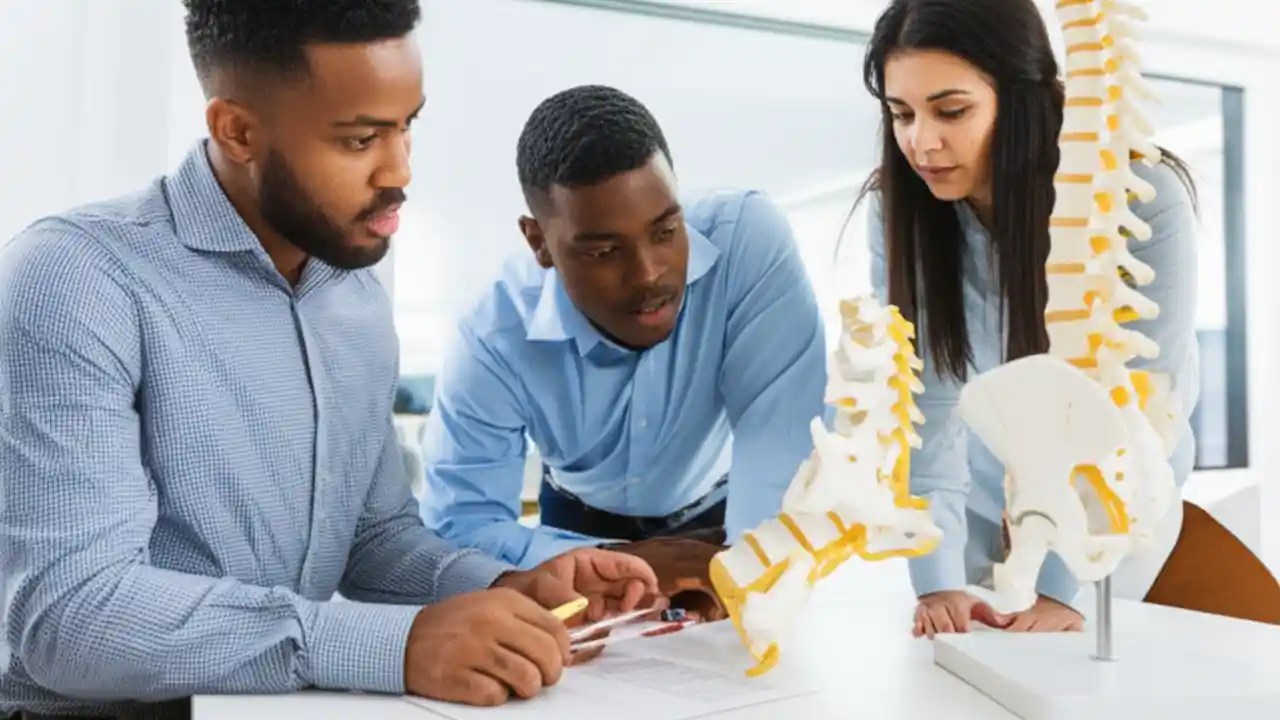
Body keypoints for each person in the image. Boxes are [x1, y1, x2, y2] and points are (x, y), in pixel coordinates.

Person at [0, 2, 661, 718]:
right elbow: (69, 615)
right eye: (359, 140)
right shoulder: (76, 278)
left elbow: (371, 538)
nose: (400, 170)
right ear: (238, 130)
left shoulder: (356, 300)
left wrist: (507, 588)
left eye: (407, 124)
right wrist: (397, 647)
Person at [859, 0, 1280, 639]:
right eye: (901, 113)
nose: (921, 140)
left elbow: (1136, 410)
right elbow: (926, 407)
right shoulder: (900, 211)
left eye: (952, 111)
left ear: (1023, 97)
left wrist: (1061, 587)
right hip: (973, 507)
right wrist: (937, 578)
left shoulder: (1140, 193)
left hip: (1108, 517)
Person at [419, 85, 828, 616]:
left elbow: (784, 437)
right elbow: (459, 527)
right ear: (539, 242)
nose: (649, 273)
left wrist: (745, 570)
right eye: (603, 251)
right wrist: (617, 561)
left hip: (727, 512)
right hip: (575, 525)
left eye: (666, 231)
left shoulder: (746, 242)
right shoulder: (493, 334)